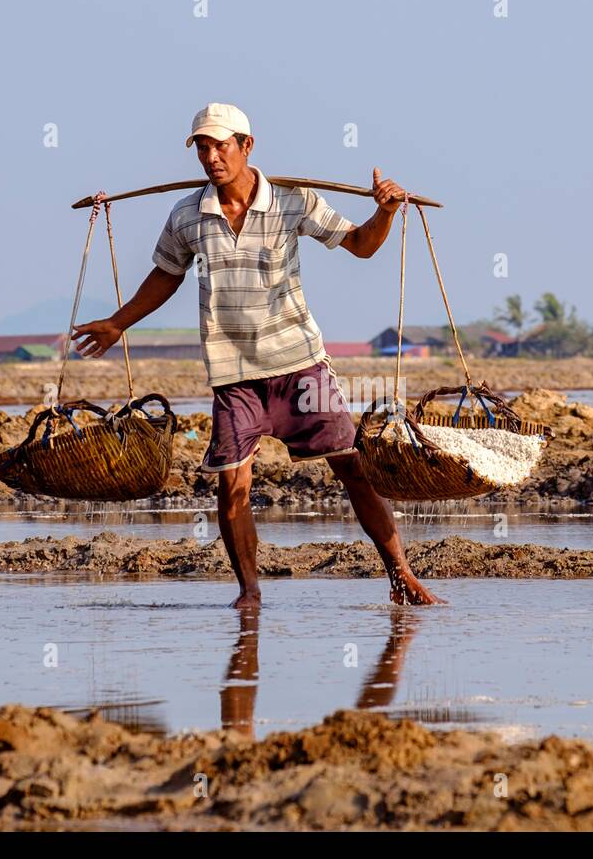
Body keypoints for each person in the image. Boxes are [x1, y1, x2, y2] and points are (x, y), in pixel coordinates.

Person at [72, 102, 442, 608]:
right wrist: (118, 323)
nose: (210, 157)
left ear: (247, 146)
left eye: (220, 145)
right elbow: (166, 275)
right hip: (234, 373)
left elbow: (360, 244)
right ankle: (249, 593)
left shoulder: (293, 201)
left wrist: (386, 211)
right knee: (231, 486)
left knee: (354, 468)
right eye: (202, 147)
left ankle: (401, 575)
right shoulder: (188, 214)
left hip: (299, 365)